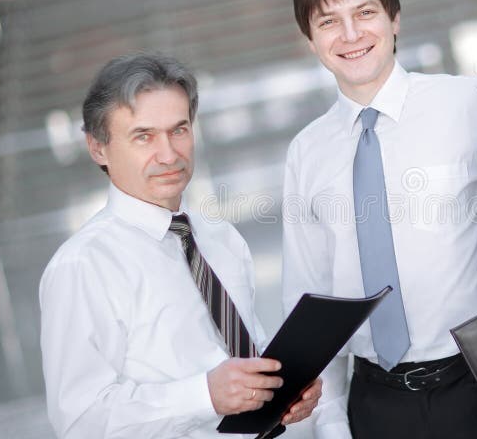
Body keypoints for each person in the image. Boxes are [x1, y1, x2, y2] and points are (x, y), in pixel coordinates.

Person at [281, 0, 477, 438]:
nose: (351, 34)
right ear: (310, 39)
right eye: (329, 21)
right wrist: (333, 426)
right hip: (375, 405)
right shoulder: (306, 153)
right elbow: (309, 301)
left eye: (364, 13)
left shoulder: (473, 104)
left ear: (394, 17)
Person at [39, 53, 321, 438]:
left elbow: (244, 351)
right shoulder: (82, 266)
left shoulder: (220, 238)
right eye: (144, 136)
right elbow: (79, 420)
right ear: (97, 148)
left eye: (179, 129)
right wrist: (204, 396)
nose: (169, 154)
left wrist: (284, 389)